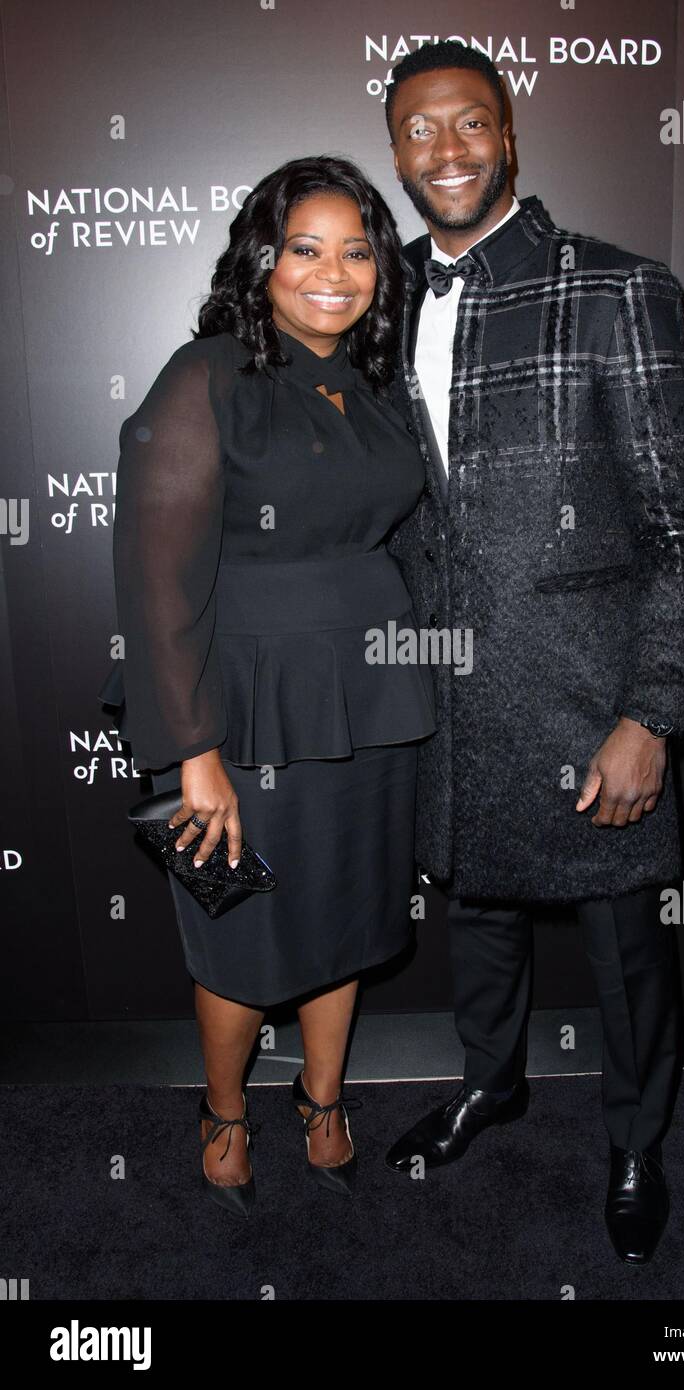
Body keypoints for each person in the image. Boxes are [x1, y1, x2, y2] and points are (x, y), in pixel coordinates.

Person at [380, 42, 684, 1264]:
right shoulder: (383, 296)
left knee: (626, 948)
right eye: (420, 130)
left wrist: (650, 711)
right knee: (479, 914)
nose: (448, 150)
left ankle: (635, 1140)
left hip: (585, 693)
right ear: (396, 151)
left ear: (508, 136)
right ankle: (492, 1081)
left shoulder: (617, 288)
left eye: (471, 124)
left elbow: (680, 529)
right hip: (447, 688)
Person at [97, 155, 436, 1216]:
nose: (333, 272)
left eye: (356, 250)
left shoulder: (381, 386)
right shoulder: (204, 376)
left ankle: (324, 1102)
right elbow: (157, 584)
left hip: (371, 694)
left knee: (347, 914)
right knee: (242, 927)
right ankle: (227, 1109)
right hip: (245, 704)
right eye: (305, 249)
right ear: (263, 261)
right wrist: (192, 751)